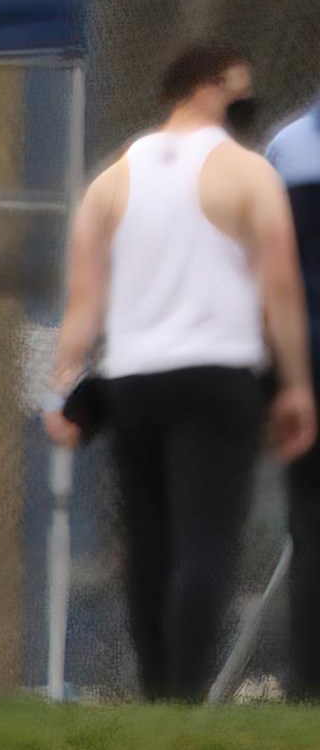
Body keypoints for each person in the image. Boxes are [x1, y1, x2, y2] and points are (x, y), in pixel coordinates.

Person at [45, 45, 316, 701]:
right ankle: (184, 696)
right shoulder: (248, 174)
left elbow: (84, 300)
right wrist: (296, 384)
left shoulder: (111, 180)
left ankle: (155, 688)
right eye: (240, 92)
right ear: (207, 89)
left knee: (148, 542)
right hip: (219, 373)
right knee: (207, 537)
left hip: (134, 378)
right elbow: (279, 290)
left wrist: (63, 385)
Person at [268, 93, 320, 700]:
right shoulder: (284, 147)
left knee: (310, 529)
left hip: (308, 363)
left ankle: (308, 685)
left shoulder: (287, 147)